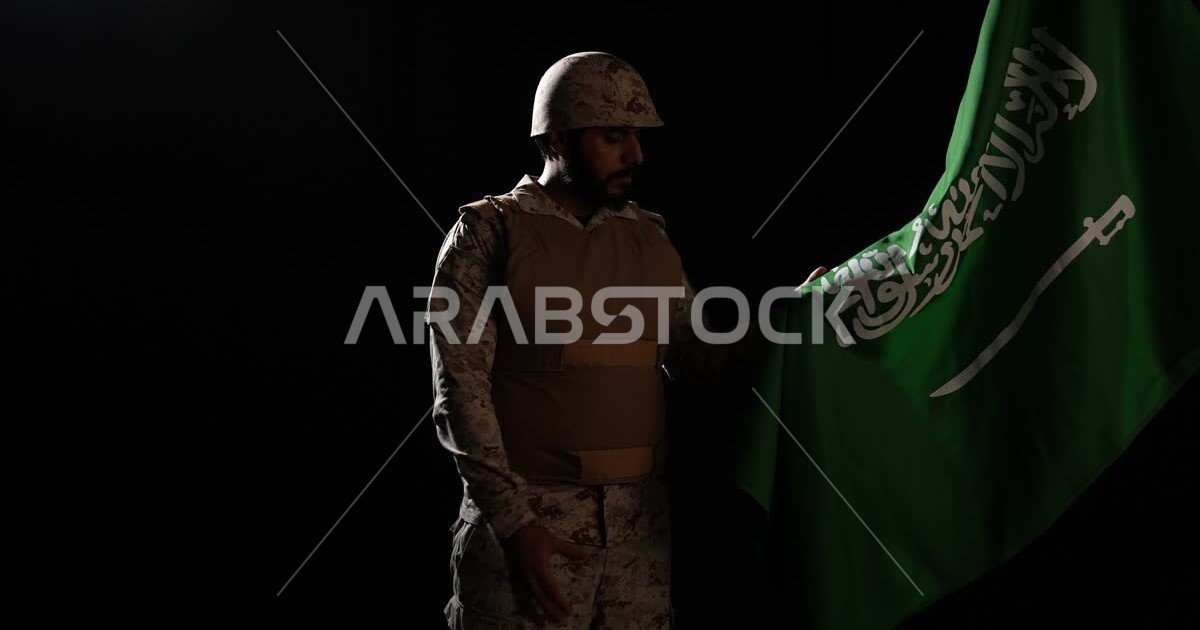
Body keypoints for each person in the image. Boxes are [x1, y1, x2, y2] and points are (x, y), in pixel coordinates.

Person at [427, 51, 823, 629]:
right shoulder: (488, 234)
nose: (636, 155)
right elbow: (459, 394)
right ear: (557, 138)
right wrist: (514, 524)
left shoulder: (648, 239)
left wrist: (788, 319)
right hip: (530, 537)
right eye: (614, 137)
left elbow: (697, 362)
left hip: (640, 540)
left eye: (636, 137)